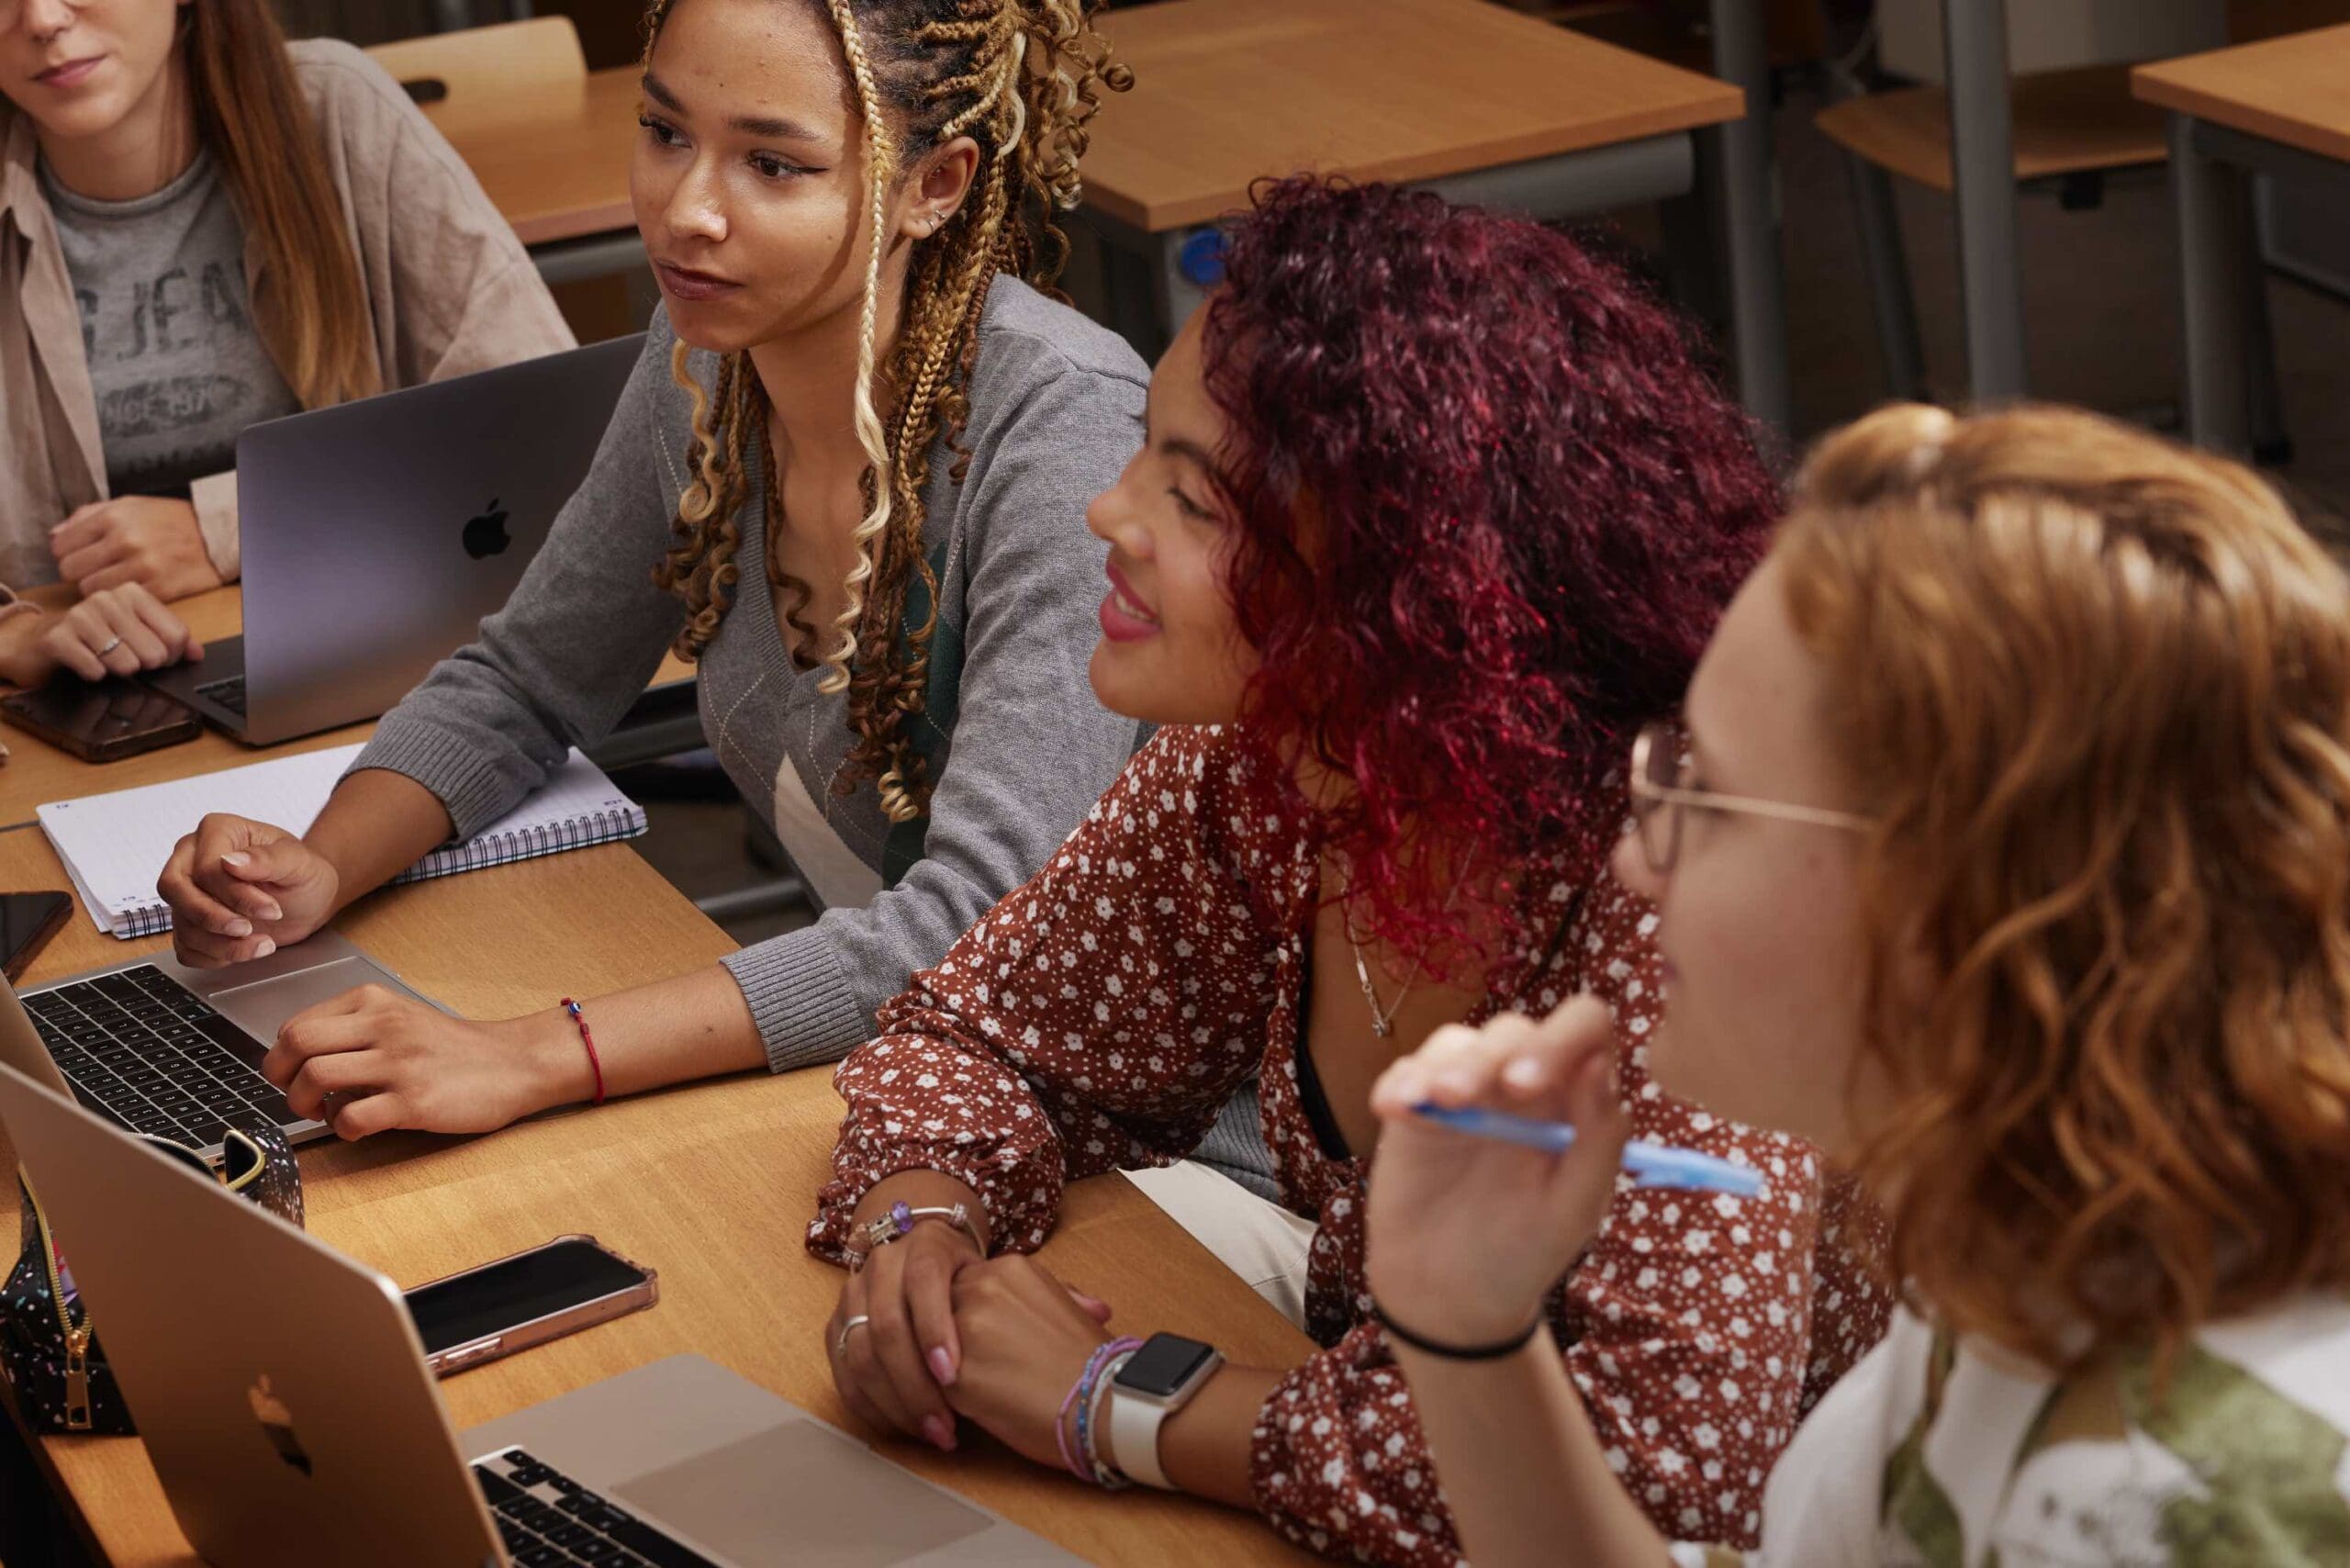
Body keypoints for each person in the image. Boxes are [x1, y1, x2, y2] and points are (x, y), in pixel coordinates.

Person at [810, 177, 1892, 1565]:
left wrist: (1120, 1404)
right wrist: (920, 1227)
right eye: (1145, 452)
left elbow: (1661, 1485)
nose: (1106, 512)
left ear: (1407, 592)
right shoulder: (1279, 761)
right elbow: (983, 1034)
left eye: (1193, 500)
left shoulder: (1677, 884)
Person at [1361, 403, 2350, 1566]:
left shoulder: (2174, 1513)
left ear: (1959, 900)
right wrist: (1464, 1325)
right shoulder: (2039, 1239)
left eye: (1709, 795)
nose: (1635, 854)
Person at [151, 0, 1148, 1138]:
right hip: (908, 1077)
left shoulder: (1059, 433)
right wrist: (315, 871)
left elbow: (979, 923)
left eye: (773, 164)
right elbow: (526, 682)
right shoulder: (708, 368)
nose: (686, 211)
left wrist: (530, 1054)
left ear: (936, 184)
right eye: (666, 132)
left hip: (1135, 1128)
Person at [1, 0, 574, 615]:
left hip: (364, 627)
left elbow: (542, 425)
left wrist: (227, 530)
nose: (41, 19)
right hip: (84, 693)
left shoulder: (335, 107)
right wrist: (16, 636)